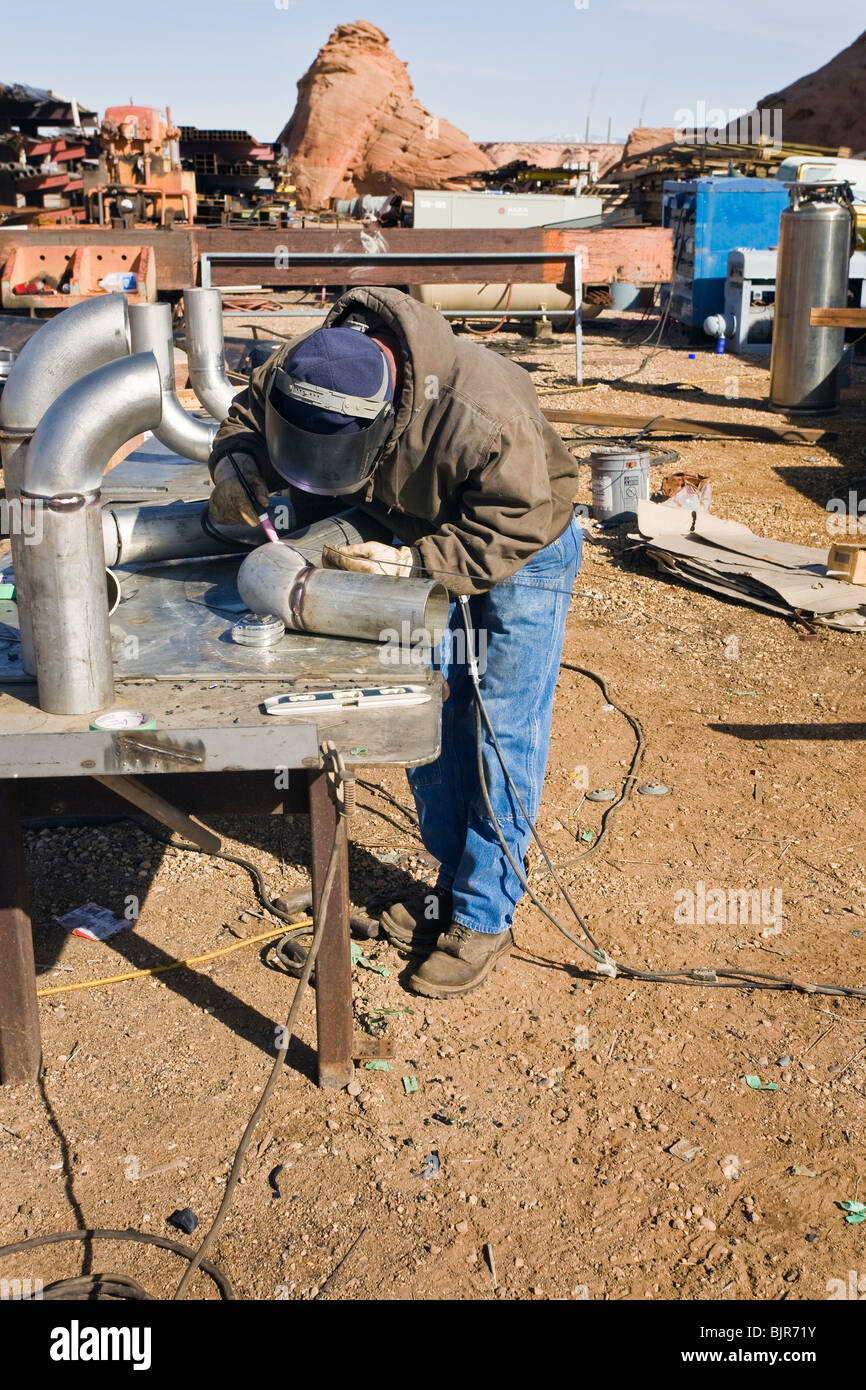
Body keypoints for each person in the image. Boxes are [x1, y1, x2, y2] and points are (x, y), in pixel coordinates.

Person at [208, 287, 582, 998]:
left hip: (518, 555)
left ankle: (483, 916)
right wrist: (237, 466)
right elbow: (244, 419)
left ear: (386, 416)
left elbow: (523, 516)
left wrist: (417, 566)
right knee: (429, 720)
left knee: (497, 732)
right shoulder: (301, 368)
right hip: (414, 539)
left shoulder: (482, 411)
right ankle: (446, 894)